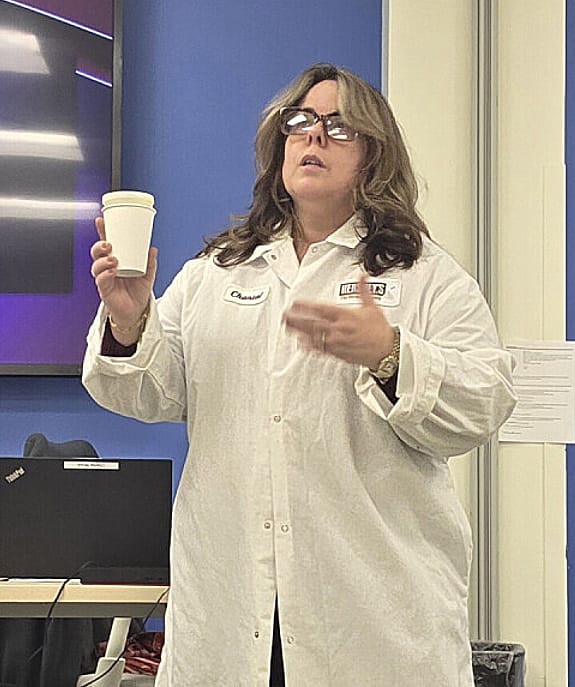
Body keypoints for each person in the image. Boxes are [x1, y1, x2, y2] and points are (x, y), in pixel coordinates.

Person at [82, 63, 517, 686]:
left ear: (374, 157)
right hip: (233, 606)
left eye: (339, 127)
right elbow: (150, 394)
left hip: (370, 615)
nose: (313, 136)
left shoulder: (421, 275)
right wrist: (129, 324)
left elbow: (484, 403)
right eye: (301, 122)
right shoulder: (217, 272)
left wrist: (391, 354)